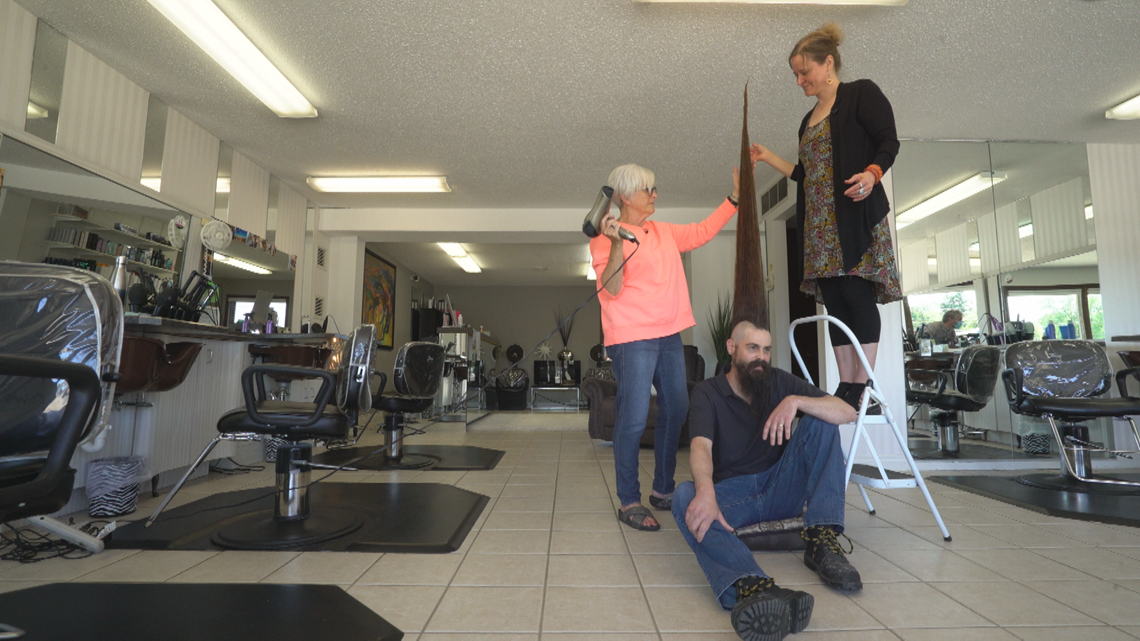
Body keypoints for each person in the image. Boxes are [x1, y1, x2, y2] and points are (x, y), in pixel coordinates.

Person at [672, 321, 859, 641]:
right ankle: (753, 587)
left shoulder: (779, 382)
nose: (761, 357)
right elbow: (701, 446)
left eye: (767, 349)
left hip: (780, 486)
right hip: (735, 497)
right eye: (752, 348)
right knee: (683, 497)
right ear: (731, 348)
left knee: (823, 422)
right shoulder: (707, 392)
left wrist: (796, 402)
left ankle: (821, 540)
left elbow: (848, 412)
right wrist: (706, 492)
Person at [750, 22, 902, 412]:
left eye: (805, 72)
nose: (800, 80)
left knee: (856, 293)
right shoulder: (807, 120)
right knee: (834, 302)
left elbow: (889, 141)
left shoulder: (859, 94)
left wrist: (872, 173)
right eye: (796, 75)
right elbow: (805, 174)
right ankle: (845, 386)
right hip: (818, 226)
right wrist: (768, 157)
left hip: (851, 217)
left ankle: (862, 385)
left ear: (828, 62)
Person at [591, 163, 741, 531]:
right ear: (625, 197)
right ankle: (629, 500)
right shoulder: (603, 237)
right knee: (634, 415)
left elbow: (703, 231)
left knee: (678, 405)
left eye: (655, 189)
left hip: (669, 333)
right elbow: (611, 289)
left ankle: (662, 489)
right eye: (648, 189)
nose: (655, 194)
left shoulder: (663, 232)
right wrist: (614, 243)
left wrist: (734, 199)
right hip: (631, 337)